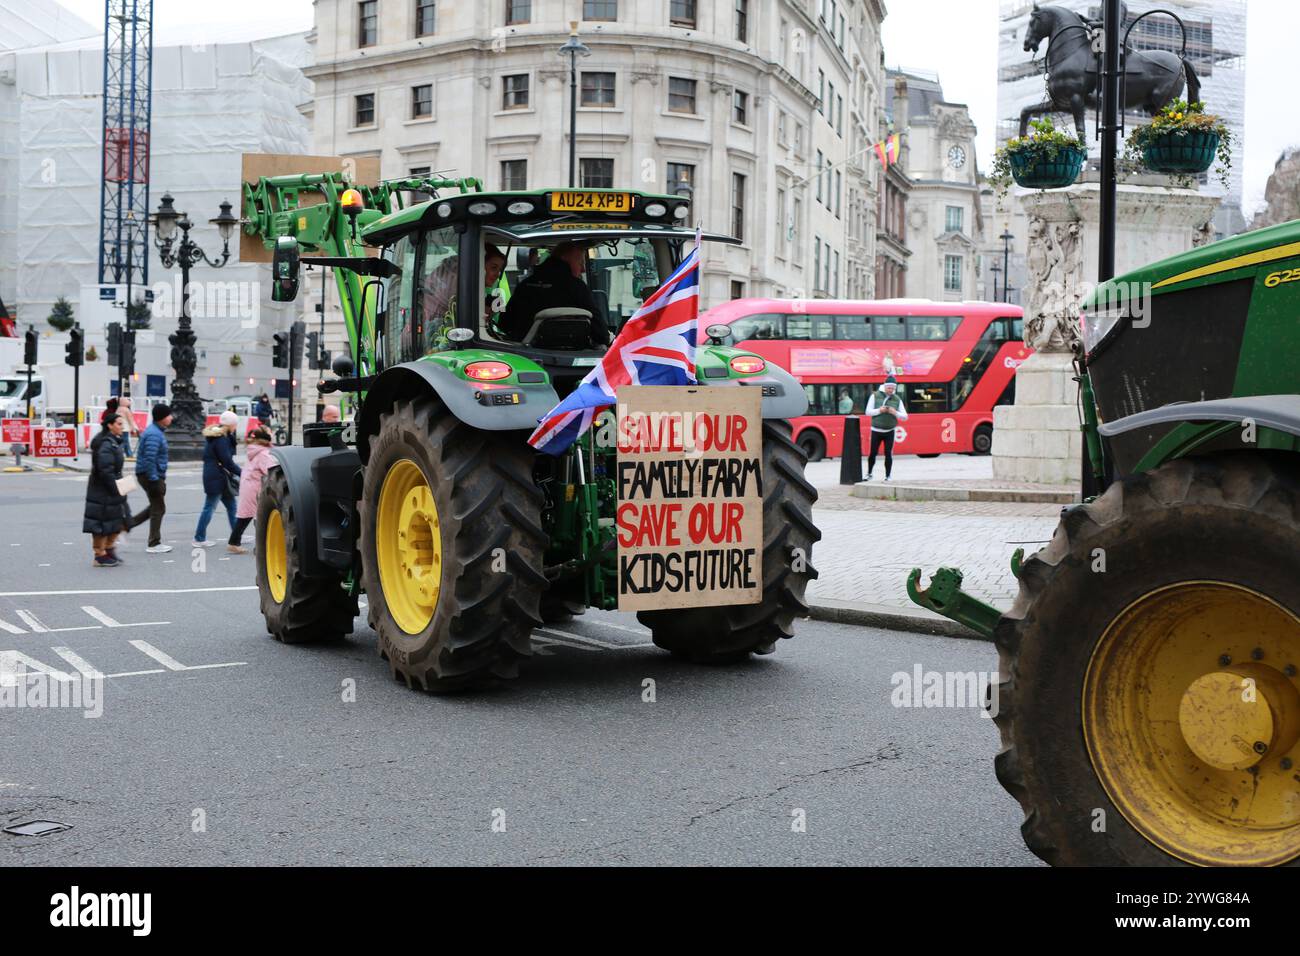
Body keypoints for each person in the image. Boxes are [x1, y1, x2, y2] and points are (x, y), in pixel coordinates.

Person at [500, 241, 608, 345]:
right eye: (580, 262)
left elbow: (504, 325)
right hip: (572, 355)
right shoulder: (578, 288)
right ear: (564, 259)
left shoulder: (524, 286)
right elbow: (601, 335)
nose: (583, 269)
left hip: (526, 355)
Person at [83, 414, 130, 567]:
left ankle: (109, 548)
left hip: (113, 484)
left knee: (118, 519)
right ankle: (99, 555)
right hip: (104, 488)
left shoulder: (113, 442)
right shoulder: (106, 444)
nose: (122, 427)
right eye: (119, 423)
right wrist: (115, 488)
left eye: (122, 424)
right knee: (100, 522)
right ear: (110, 425)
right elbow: (105, 470)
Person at [194, 410, 242, 548]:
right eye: (235, 424)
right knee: (209, 507)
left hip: (218, 477)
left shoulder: (220, 436)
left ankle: (236, 535)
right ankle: (199, 538)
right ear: (231, 424)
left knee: (232, 507)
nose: (236, 427)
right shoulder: (221, 439)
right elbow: (227, 460)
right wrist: (242, 473)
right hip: (216, 477)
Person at [130, 403, 173, 553]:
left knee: (155, 507)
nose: (171, 417)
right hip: (150, 476)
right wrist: (154, 478)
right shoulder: (154, 434)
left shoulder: (156, 431)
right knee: (159, 508)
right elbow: (150, 458)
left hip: (150, 474)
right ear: (162, 418)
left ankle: (127, 524)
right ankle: (154, 543)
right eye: (169, 415)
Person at [228, 427, 274, 554]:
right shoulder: (263, 453)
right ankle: (258, 547)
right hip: (255, 487)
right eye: (270, 433)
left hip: (249, 485)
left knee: (247, 516)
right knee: (257, 518)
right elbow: (270, 471)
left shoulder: (254, 450)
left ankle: (234, 543)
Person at [865, 376, 909, 482]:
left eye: (892, 388)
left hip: (890, 431)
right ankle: (869, 473)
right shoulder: (875, 396)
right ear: (885, 387)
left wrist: (895, 413)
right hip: (876, 430)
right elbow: (867, 412)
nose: (890, 390)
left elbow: (905, 416)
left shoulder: (897, 399)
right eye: (889, 388)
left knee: (888, 454)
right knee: (872, 453)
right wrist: (879, 410)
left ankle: (888, 476)